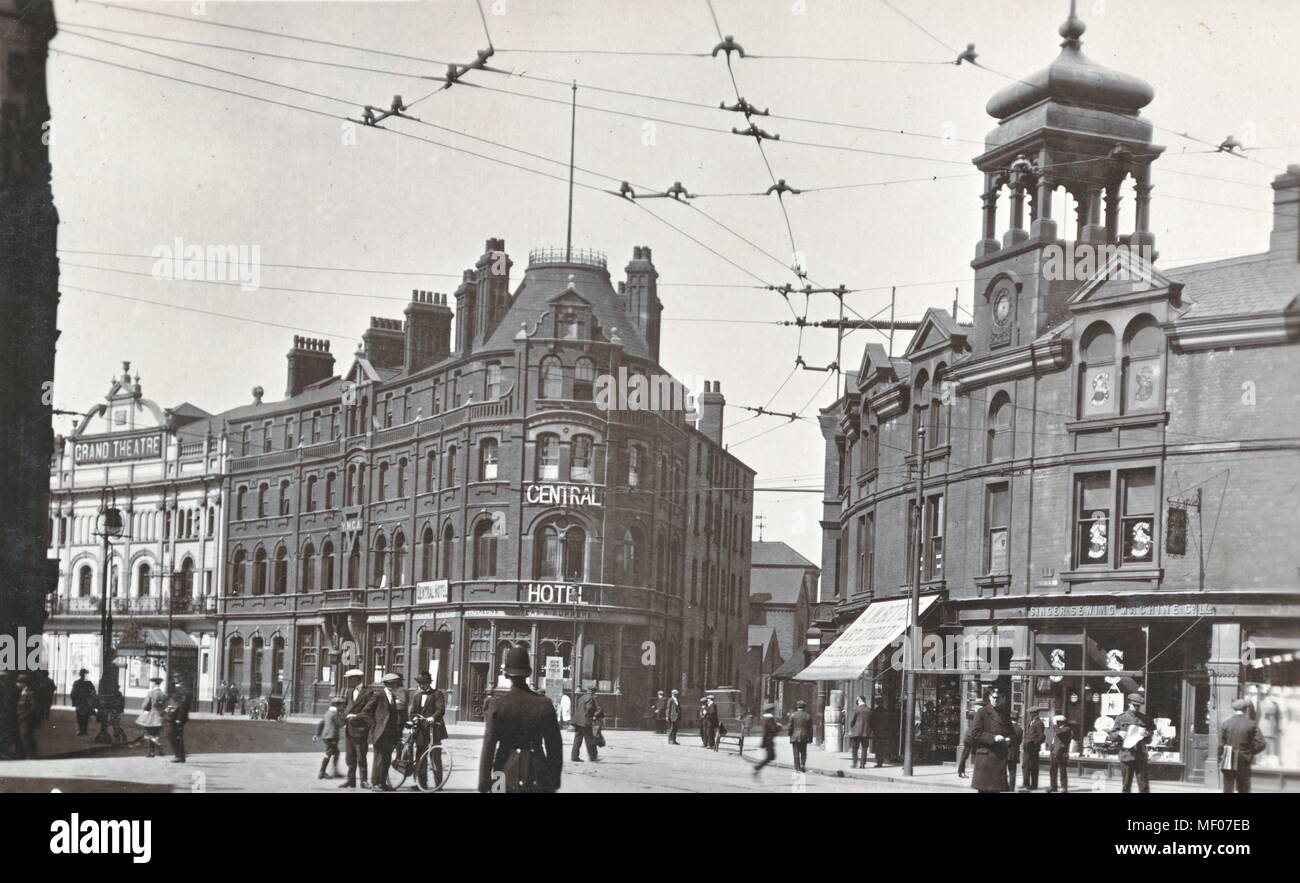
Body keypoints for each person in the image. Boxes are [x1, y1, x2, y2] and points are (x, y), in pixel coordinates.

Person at [478, 646, 563, 793]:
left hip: (504, 770)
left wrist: (484, 783)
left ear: (506, 675)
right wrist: (553, 780)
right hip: (537, 770)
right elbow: (554, 746)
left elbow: (489, 746)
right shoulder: (544, 704)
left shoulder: (497, 705)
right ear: (528, 673)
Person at [361, 672, 404, 791]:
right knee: (378, 759)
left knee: (387, 759)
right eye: (394, 683)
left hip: (390, 734)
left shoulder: (393, 697)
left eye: (396, 683)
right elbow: (365, 712)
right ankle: (375, 784)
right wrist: (374, 726)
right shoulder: (378, 695)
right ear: (388, 684)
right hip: (380, 733)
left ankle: (382, 783)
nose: (396, 685)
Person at [969, 686, 1014, 793]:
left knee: (996, 790)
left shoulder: (1004, 714)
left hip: (999, 758)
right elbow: (975, 733)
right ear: (989, 697)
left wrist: (1009, 739)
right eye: (994, 697)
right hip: (986, 759)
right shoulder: (982, 712)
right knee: (985, 790)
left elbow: (1012, 733)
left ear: (1002, 698)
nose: (996, 700)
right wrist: (994, 738)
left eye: (998, 698)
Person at [407, 671, 447, 790]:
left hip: (434, 730)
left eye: (423, 683)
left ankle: (438, 785)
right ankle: (421, 784)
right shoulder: (417, 695)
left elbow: (441, 709)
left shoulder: (437, 694)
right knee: (420, 757)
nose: (421, 686)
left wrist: (433, 717)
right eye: (420, 683)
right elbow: (413, 711)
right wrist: (414, 717)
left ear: (429, 683)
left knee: (435, 758)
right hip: (420, 731)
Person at [1107, 693, 1154, 793]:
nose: (1137, 708)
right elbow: (1112, 736)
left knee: (1144, 785)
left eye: (1138, 706)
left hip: (1140, 755)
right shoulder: (1121, 718)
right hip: (1126, 754)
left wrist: (1147, 734)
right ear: (1129, 703)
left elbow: (1149, 739)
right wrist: (1119, 733)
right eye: (1134, 705)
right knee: (1126, 785)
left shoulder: (1144, 718)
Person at [1219, 698, 1267, 793]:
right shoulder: (1251, 724)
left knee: (1228, 788)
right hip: (1245, 758)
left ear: (1234, 710)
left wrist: (1219, 757)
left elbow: (1220, 745)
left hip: (1229, 758)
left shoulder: (1226, 724)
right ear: (1246, 709)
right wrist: (1251, 751)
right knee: (1243, 788)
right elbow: (1262, 743)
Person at [339, 668, 370, 789]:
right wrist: (343, 715)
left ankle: (364, 781)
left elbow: (369, 710)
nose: (349, 681)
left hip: (361, 729)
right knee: (350, 757)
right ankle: (350, 781)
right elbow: (346, 705)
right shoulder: (349, 691)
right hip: (349, 729)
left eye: (350, 679)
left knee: (361, 756)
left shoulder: (368, 692)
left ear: (357, 678)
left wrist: (356, 716)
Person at [314, 696, 344, 779]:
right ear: (337, 705)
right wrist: (347, 718)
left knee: (336, 753)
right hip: (332, 737)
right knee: (328, 754)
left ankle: (334, 771)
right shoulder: (335, 714)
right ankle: (322, 772)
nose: (343, 707)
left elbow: (321, 723)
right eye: (342, 705)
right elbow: (340, 723)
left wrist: (317, 734)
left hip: (326, 736)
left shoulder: (327, 712)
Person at [136, 676, 166, 758]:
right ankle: (159, 750)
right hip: (159, 716)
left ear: (154, 683)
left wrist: (144, 709)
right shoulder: (163, 694)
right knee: (156, 734)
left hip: (151, 716)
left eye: (152, 683)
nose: (151, 684)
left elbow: (144, 705)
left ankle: (152, 752)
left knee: (149, 734)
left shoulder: (151, 693)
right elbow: (164, 706)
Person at [956, 699, 983, 778]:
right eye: (980, 705)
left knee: (966, 755)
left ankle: (961, 772)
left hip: (970, 736)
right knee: (966, 755)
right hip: (971, 737)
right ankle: (961, 772)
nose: (981, 707)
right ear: (977, 706)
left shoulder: (973, 713)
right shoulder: (974, 713)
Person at [571, 686, 599, 763]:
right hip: (585, 721)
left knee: (577, 739)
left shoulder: (582, 697)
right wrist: (593, 716)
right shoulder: (591, 698)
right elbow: (589, 709)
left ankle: (574, 756)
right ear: (593, 691)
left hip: (577, 721)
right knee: (590, 739)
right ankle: (593, 757)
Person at [1021, 706, 1046, 792]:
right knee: (1025, 766)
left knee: (1033, 767)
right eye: (1030, 713)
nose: (1030, 715)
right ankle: (1025, 783)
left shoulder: (1039, 723)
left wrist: (1034, 744)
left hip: (1033, 749)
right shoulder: (1031, 722)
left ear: (1035, 713)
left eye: (1031, 713)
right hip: (1027, 749)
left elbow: (1042, 737)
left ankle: (1034, 785)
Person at [15, 674, 39, 759]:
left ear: (24, 683)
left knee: (26, 737)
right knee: (24, 737)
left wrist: (24, 716)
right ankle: (28, 754)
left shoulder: (30, 693)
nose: (17, 684)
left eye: (19, 682)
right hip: (21, 719)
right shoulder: (22, 692)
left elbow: (33, 707)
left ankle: (30, 755)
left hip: (26, 720)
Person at [752, 704, 780, 777]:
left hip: (767, 740)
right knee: (771, 756)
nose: (774, 712)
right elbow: (773, 729)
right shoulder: (770, 718)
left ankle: (757, 768)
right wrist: (778, 726)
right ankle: (757, 768)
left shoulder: (765, 718)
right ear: (771, 711)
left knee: (771, 756)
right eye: (773, 711)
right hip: (769, 740)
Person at [165, 685, 190, 763]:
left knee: (172, 736)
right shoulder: (179, 694)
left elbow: (182, 707)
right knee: (176, 737)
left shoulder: (181, 694)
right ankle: (180, 756)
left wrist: (179, 719)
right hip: (175, 719)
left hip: (176, 719)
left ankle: (179, 756)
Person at [1048, 714, 1072, 793]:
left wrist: (1054, 724)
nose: (1055, 724)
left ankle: (1064, 787)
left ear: (1060, 722)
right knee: (1053, 771)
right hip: (1054, 753)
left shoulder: (1066, 729)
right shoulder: (1058, 729)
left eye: (1056, 722)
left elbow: (1059, 733)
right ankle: (1053, 786)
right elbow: (1055, 739)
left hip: (1062, 754)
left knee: (1062, 771)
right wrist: (1051, 748)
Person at [70, 669, 98, 736]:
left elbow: (73, 693)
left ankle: (81, 730)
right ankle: (84, 730)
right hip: (86, 702)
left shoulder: (77, 682)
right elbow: (93, 692)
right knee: (85, 717)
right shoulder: (89, 683)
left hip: (80, 702)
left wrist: (74, 701)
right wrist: (92, 701)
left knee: (80, 716)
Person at [99, 680, 127, 746]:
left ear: (116, 688)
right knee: (112, 725)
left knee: (115, 726)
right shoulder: (114, 695)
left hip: (116, 713)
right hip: (112, 712)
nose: (112, 689)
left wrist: (110, 704)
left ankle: (118, 740)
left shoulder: (118, 696)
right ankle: (121, 736)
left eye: (114, 688)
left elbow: (118, 704)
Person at [788, 699, 814, 772]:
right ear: (804, 707)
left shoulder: (793, 715)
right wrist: (810, 738)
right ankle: (803, 764)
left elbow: (790, 726)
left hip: (795, 736)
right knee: (803, 752)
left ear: (797, 707)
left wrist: (790, 734)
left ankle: (797, 767)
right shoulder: (808, 716)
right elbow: (810, 729)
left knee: (795, 752)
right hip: (804, 736)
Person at [847, 696, 870, 769]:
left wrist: (851, 728)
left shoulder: (856, 709)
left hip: (856, 732)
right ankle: (862, 764)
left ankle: (855, 763)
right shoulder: (868, 709)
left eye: (857, 700)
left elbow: (852, 720)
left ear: (860, 700)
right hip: (866, 732)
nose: (856, 701)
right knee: (864, 748)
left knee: (854, 748)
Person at [867, 699, 890, 767]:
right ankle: (884, 759)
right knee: (883, 747)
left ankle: (879, 762)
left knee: (878, 748)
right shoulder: (886, 711)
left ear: (876, 703)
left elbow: (871, 722)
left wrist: (871, 730)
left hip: (877, 732)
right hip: (885, 732)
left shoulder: (875, 712)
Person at [1006, 710, 1024, 791]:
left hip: (1006, 751)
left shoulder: (1007, 727)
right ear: (1017, 719)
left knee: (1002, 770)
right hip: (1015, 752)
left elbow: (1005, 740)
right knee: (1012, 771)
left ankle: (1003, 786)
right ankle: (1011, 788)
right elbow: (1020, 741)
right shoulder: (1020, 729)